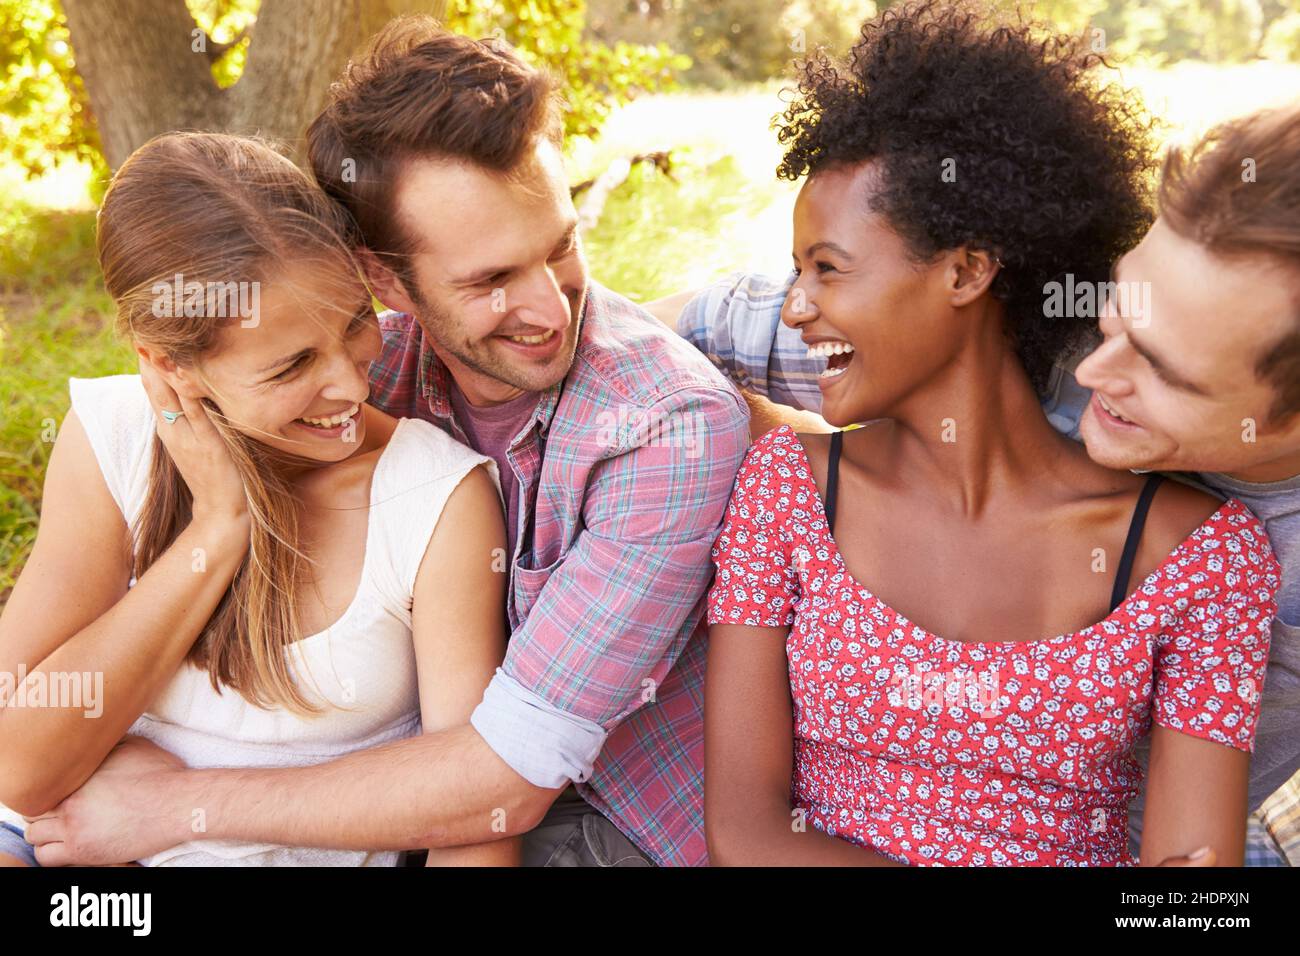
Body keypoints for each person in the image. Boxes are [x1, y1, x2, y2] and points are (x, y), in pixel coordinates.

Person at [23, 17, 749, 868]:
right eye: (488, 279)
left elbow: (505, 784)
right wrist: (218, 524)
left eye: (559, 247)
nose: (555, 312)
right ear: (380, 278)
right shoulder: (365, 361)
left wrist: (177, 809)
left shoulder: (662, 431)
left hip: (599, 816)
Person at [701, 0, 1279, 866]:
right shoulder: (789, 488)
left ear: (969, 269)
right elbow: (745, 835)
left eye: (828, 269)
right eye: (796, 270)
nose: (796, 309)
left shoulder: (1205, 558)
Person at [0, 131, 512, 866]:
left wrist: (186, 811)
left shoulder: (434, 500)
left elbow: (476, 820)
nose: (350, 385)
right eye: (292, 365)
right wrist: (217, 527)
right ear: (168, 365)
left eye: (355, 324)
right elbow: (21, 770)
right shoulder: (113, 436)